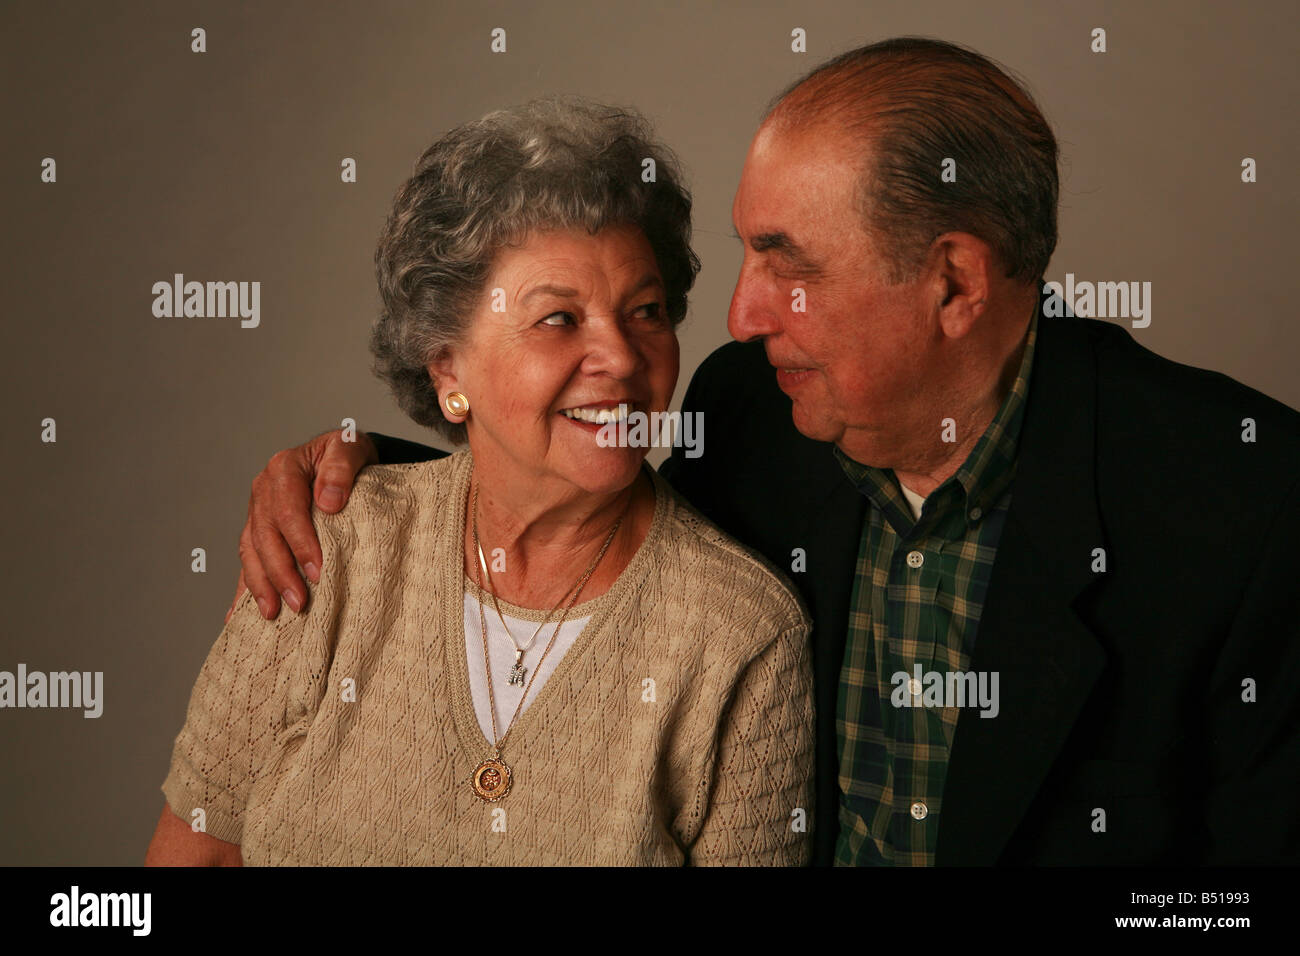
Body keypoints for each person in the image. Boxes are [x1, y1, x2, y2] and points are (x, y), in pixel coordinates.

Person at [232, 39, 1300, 866]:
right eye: (743, 253)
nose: (737, 314)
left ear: (955, 284)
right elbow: (587, 513)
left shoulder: (1244, 504)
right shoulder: (750, 408)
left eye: (789, 265)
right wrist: (353, 468)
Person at [146, 97, 814, 866]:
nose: (624, 359)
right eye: (559, 319)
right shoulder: (330, 547)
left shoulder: (741, 633)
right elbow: (193, 859)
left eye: (647, 311)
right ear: (447, 368)